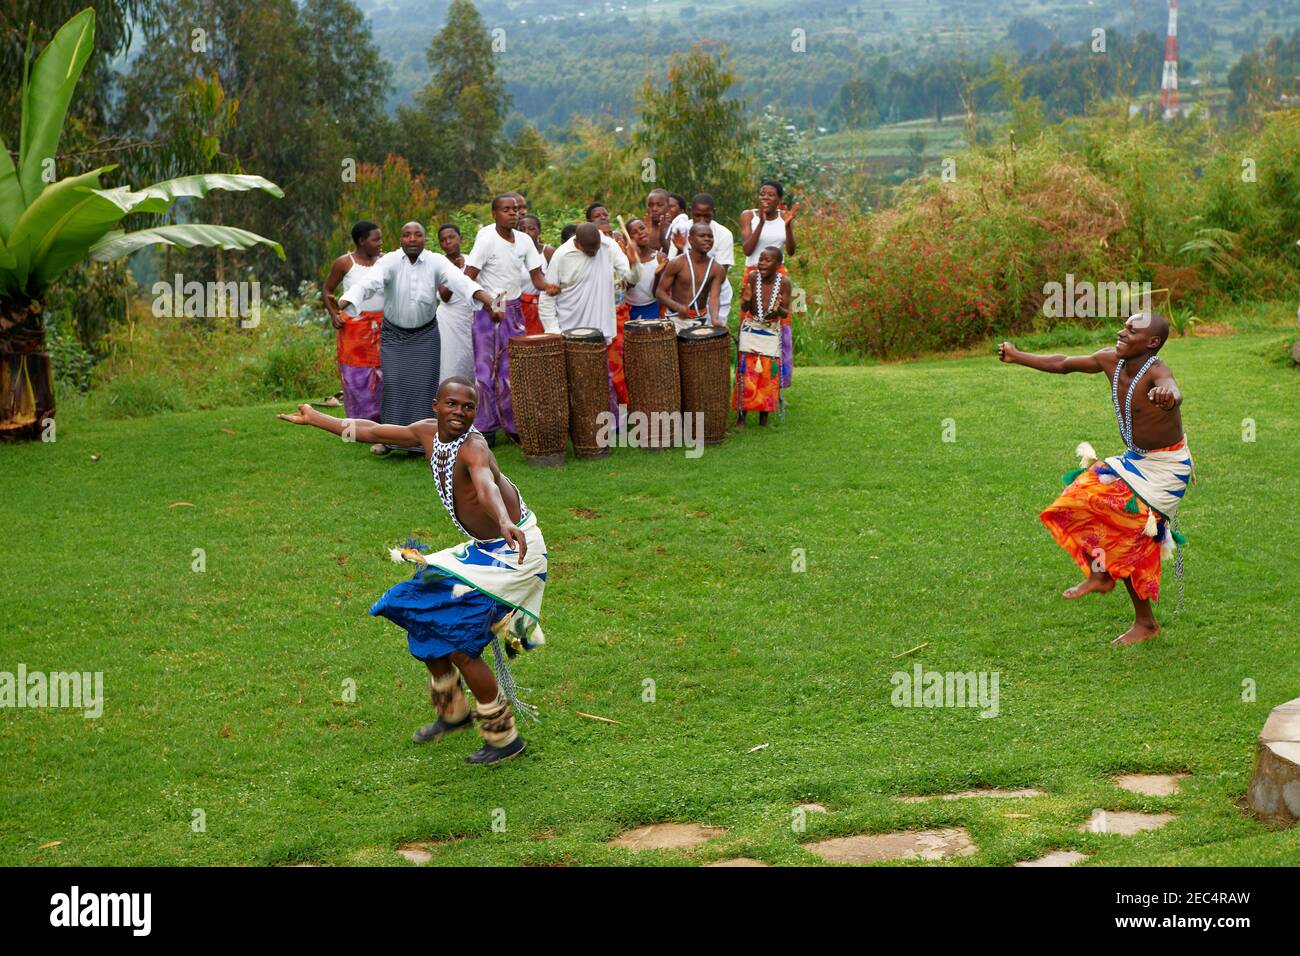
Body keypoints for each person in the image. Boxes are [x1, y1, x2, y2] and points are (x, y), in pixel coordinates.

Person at [276, 377, 547, 765]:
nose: (459, 413)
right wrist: (318, 419)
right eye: (451, 404)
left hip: (514, 553)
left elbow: (485, 484)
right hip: (483, 550)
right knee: (412, 607)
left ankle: (504, 738)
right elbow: (370, 429)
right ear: (436, 405)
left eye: (468, 407)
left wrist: (503, 520)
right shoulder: (425, 433)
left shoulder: (474, 447)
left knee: (456, 639)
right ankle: (451, 711)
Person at [998, 312, 1193, 645]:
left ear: (1152, 343)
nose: (1121, 332)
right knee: (1076, 498)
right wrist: (1017, 356)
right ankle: (1103, 576)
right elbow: (1061, 362)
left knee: (1129, 534)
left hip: (1166, 468)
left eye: (1132, 331)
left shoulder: (1157, 371)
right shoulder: (1109, 359)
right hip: (1134, 461)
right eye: (1124, 326)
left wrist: (1169, 396)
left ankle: (1140, 617)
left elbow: (1171, 387)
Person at [335, 222, 501, 454]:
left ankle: (424, 443)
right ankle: (389, 440)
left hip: (426, 334)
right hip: (394, 335)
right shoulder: (389, 261)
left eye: (418, 235)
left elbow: (462, 282)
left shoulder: (436, 261)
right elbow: (368, 283)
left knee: (425, 388)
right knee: (394, 384)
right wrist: (346, 300)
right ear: (400, 239)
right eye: (406, 235)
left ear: (425, 239)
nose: (412, 239)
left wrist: (489, 301)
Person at [463, 195, 548, 444]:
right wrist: (488, 303)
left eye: (516, 209)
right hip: (489, 309)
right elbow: (468, 276)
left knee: (514, 370)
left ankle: (514, 426)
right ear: (494, 214)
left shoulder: (524, 241)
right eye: (506, 210)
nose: (513, 214)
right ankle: (485, 428)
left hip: (513, 308)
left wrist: (554, 287)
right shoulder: (487, 239)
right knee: (485, 371)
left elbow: (537, 278)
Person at [539, 223, 640, 414]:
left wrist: (634, 263)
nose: (595, 254)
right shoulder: (561, 255)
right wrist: (553, 330)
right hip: (569, 328)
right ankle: (578, 424)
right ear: (577, 242)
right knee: (574, 381)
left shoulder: (608, 246)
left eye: (596, 250)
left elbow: (632, 279)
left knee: (602, 377)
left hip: (601, 327)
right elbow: (547, 296)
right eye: (589, 251)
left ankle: (610, 422)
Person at [322, 220, 386, 456]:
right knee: (356, 379)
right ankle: (355, 428)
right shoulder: (344, 263)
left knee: (382, 378)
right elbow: (327, 291)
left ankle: (382, 428)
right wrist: (334, 314)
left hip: (383, 328)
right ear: (361, 241)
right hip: (354, 331)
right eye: (375, 239)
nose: (380, 244)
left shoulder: (385, 262)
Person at [740, 181, 799, 388]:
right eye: (762, 194)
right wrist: (762, 223)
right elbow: (747, 250)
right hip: (754, 274)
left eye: (771, 195)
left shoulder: (784, 217)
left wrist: (788, 225)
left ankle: (777, 385)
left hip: (778, 275)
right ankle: (749, 384)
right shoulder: (749, 216)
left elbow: (791, 251)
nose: (765, 198)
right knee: (751, 324)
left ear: (779, 200)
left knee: (781, 327)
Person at [610, 218, 666, 405]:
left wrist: (658, 275)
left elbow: (657, 292)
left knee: (651, 356)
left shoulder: (659, 257)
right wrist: (631, 260)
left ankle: (654, 398)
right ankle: (633, 399)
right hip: (630, 312)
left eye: (642, 228)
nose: (641, 232)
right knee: (631, 358)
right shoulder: (625, 260)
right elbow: (628, 285)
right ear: (629, 239)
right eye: (634, 232)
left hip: (652, 309)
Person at [734, 246, 789, 429]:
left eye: (767, 260)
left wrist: (778, 308)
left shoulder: (785, 282)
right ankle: (741, 418)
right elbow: (745, 309)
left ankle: (763, 420)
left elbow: (785, 311)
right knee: (746, 373)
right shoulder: (752, 277)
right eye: (761, 259)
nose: (762, 263)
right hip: (751, 329)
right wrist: (745, 300)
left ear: (778, 265)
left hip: (771, 331)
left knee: (767, 375)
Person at [669, 194, 735, 323]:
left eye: (707, 216)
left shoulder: (724, 234)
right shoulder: (680, 231)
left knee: (712, 335)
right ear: (690, 211)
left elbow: (721, 274)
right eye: (697, 216)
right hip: (684, 293)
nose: (702, 221)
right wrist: (679, 248)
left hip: (715, 293)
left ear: (714, 213)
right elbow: (671, 268)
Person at [657, 222, 725, 331]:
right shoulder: (678, 263)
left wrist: (714, 319)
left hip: (701, 320)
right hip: (677, 321)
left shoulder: (717, 269)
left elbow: (714, 297)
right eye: (702, 236)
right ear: (691, 240)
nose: (707, 239)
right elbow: (660, 292)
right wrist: (677, 307)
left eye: (710, 236)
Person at [435, 224, 477, 387]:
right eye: (443, 240)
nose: (448, 242)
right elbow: (445, 296)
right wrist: (457, 271)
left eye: (451, 237)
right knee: (451, 361)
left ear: (461, 238)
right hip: (449, 321)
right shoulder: (439, 265)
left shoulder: (471, 261)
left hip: (469, 317)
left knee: (471, 359)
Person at [517, 213, 556, 336]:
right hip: (521, 308)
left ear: (539, 231)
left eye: (531, 229)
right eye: (522, 229)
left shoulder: (548, 252)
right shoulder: (512, 253)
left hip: (545, 307)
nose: (527, 232)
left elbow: (560, 279)